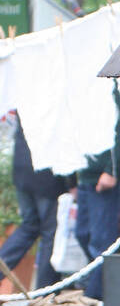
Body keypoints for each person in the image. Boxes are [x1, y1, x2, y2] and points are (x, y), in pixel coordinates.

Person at [75, 82, 120, 300]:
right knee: (82, 233)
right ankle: (100, 288)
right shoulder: (84, 91)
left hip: (105, 175)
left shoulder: (117, 90)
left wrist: (112, 170)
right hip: (87, 174)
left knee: (101, 241)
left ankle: (96, 298)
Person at [0, 117, 67, 289]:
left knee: (30, 226)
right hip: (47, 173)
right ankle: (46, 291)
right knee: (50, 232)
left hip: (22, 168)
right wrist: (71, 182)